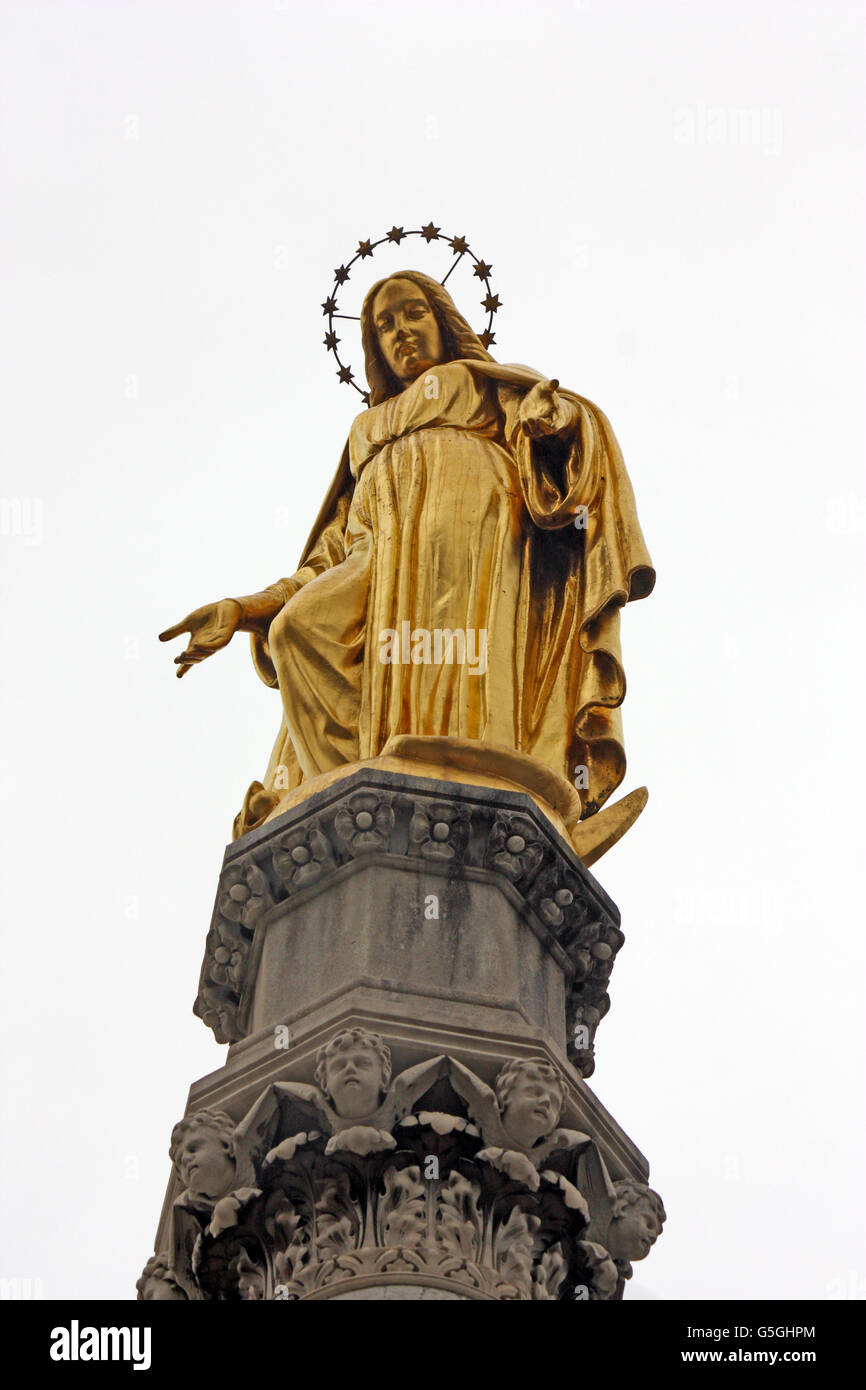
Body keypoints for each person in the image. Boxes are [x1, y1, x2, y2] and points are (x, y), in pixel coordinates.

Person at [160, 271, 654, 837]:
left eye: (414, 314)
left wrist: (556, 421)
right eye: (385, 325)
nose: (402, 332)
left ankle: (489, 793)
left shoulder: (480, 380)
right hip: (381, 555)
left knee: (463, 671)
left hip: (478, 546)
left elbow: (569, 427)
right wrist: (242, 608)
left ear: (443, 320)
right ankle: (354, 801)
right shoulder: (365, 430)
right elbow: (328, 555)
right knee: (297, 630)